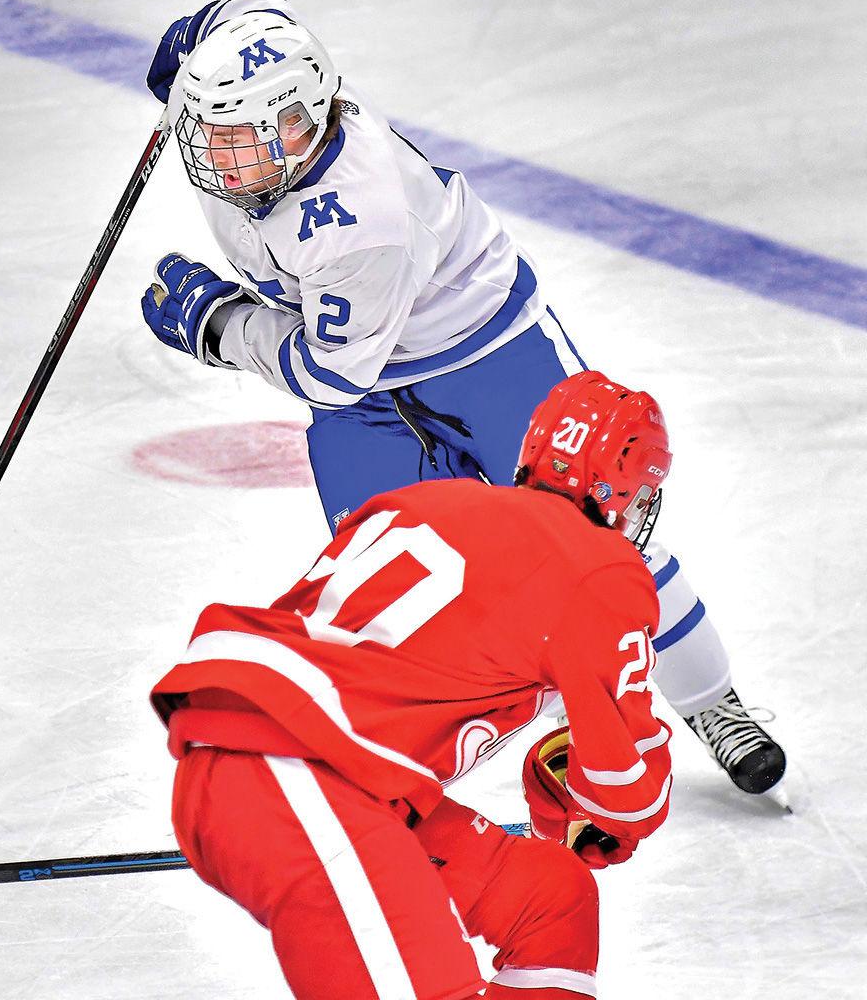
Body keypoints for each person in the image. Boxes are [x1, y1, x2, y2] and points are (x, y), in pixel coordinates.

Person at [139, 0, 784, 798]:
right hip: (367, 383)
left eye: (234, 140)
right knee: (382, 582)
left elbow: (331, 372)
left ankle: (711, 702)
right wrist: (208, 37)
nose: (212, 160)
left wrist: (224, 328)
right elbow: (259, 2)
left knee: (604, 547)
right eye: (209, 135)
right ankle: (387, 755)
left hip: (486, 357)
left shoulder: (358, 221)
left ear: (299, 126)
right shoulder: (265, 135)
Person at [151, 372, 674, 999]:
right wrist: (580, 799)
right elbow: (627, 794)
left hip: (282, 768)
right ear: (617, 487)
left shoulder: (423, 501)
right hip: (302, 778)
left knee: (549, 899)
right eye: (643, 496)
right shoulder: (596, 567)